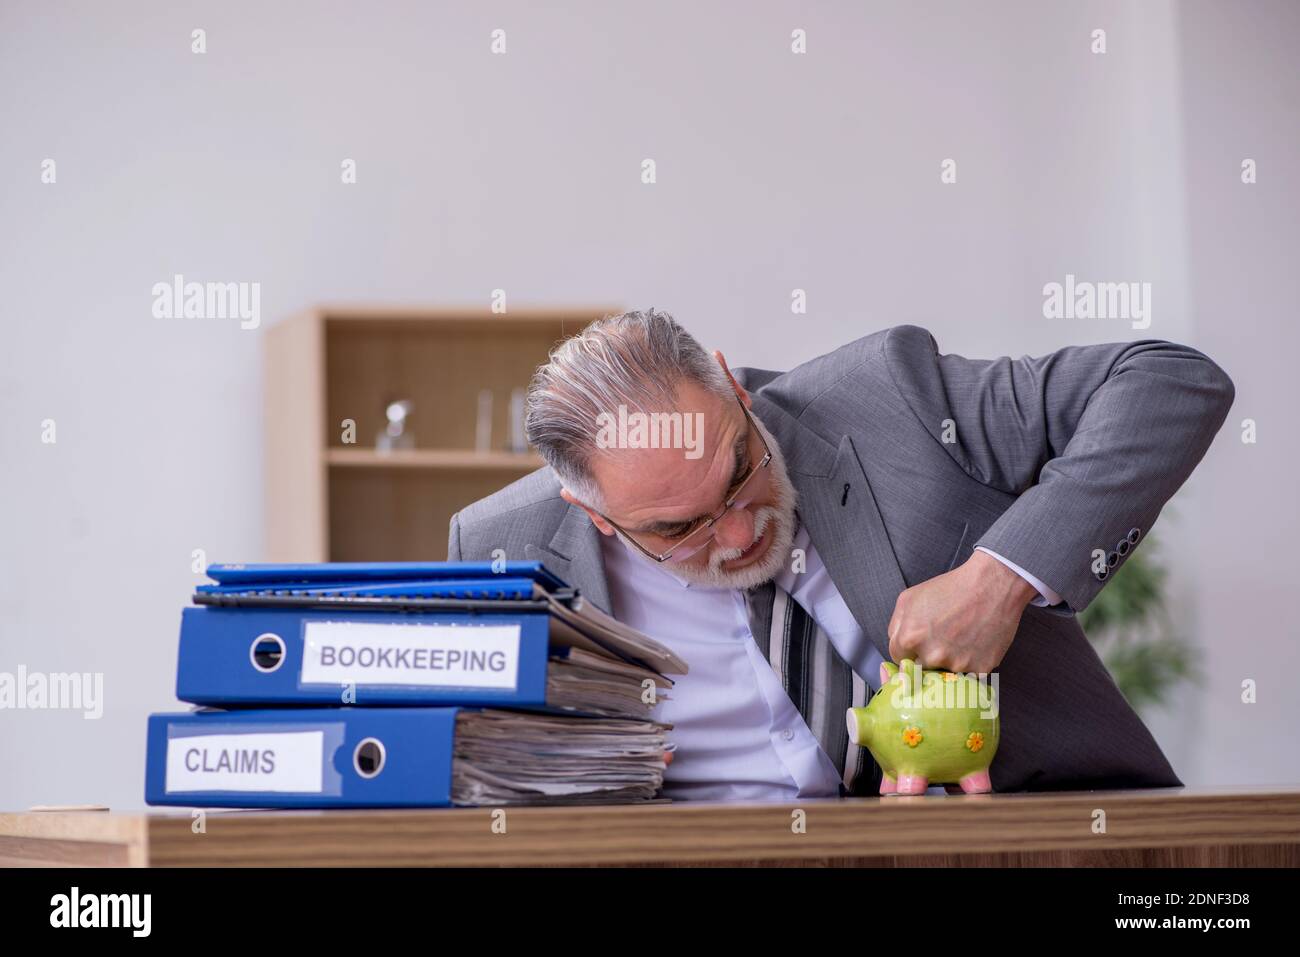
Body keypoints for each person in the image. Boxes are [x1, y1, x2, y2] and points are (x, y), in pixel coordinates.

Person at [448, 309, 1235, 800]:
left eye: (740, 472)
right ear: (594, 515)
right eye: (677, 529)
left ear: (730, 385)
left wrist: (1001, 577)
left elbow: (1169, 380)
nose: (739, 534)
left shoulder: (892, 400)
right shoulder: (499, 551)